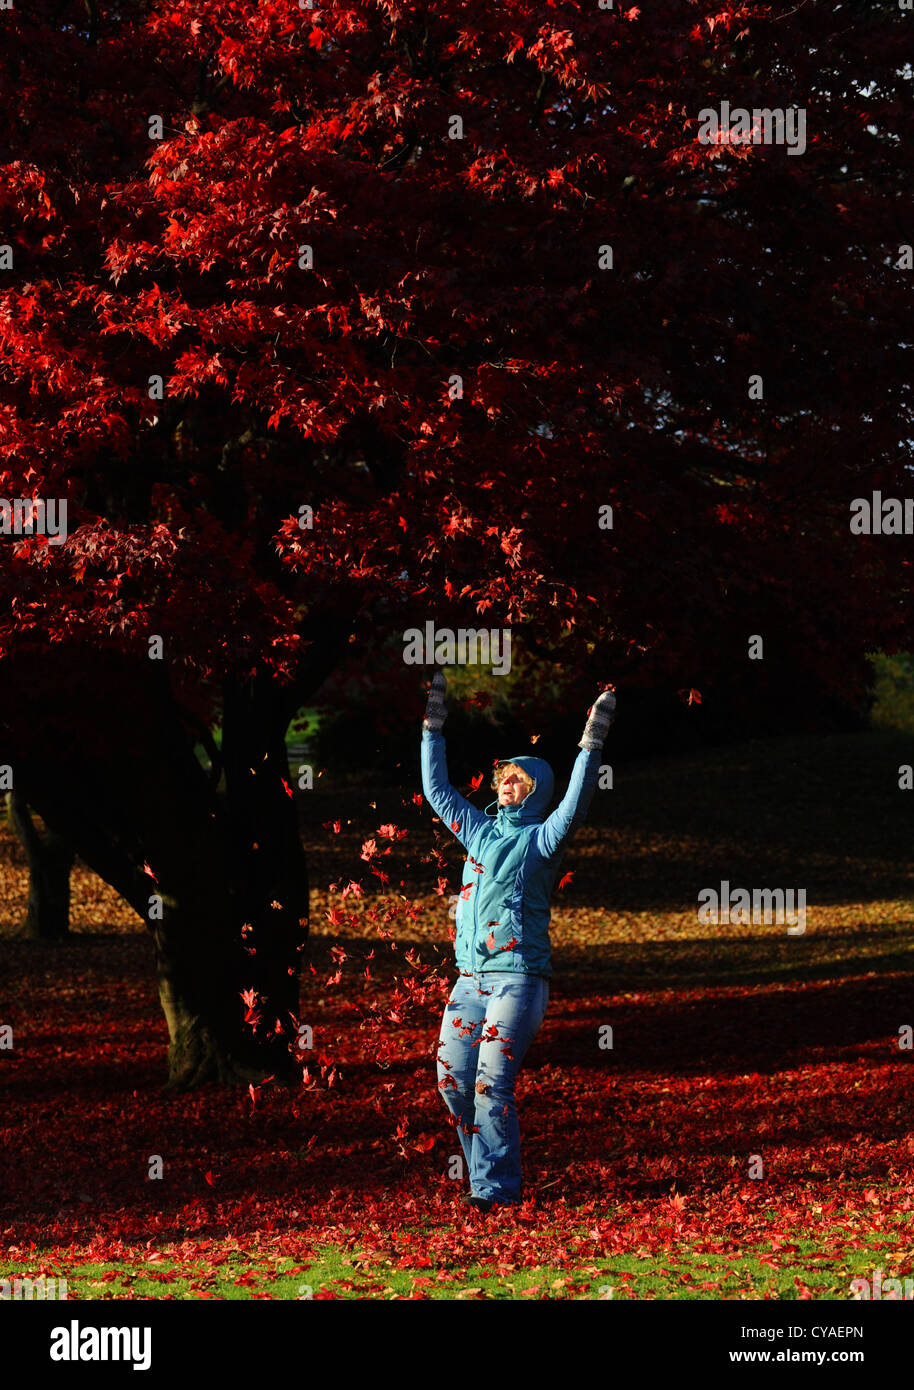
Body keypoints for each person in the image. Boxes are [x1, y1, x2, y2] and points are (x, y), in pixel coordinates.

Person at [420, 671, 616, 1211]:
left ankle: (495, 1192)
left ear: (536, 789)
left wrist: (590, 743)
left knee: (490, 1085)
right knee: (451, 1082)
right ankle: (483, 1177)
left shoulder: (542, 840)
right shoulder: (478, 831)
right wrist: (433, 726)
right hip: (468, 980)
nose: (506, 785)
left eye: (517, 780)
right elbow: (436, 790)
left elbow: (576, 805)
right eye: (503, 778)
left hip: (518, 978)